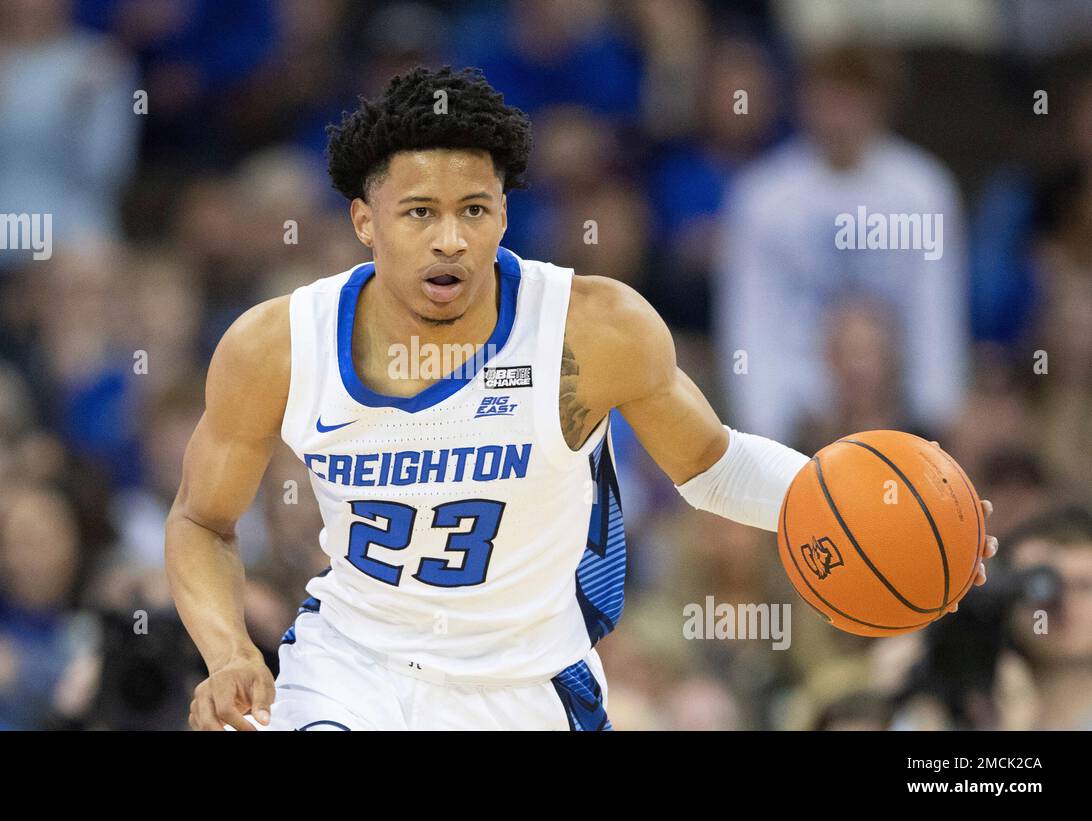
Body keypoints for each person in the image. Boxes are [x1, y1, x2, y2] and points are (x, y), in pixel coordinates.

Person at [164, 66, 998, 731]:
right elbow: (201, 520)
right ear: (363, 221)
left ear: (503, 217)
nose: (450, 236)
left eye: (475, 210)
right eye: (418, 211)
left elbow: (710, 467)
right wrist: (231, 650)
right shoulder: (276, 344)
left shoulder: (590, 328)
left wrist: (890, 512)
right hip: (353, 669)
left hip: (528, 682)